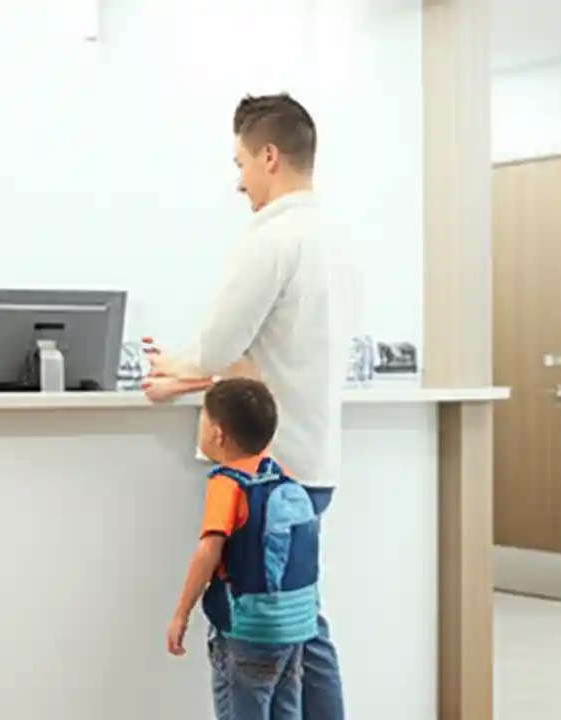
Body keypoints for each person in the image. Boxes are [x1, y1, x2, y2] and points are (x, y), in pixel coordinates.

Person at [146, 93, 358, 719]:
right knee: (302, 622)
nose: (238, 181)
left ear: (268, 156)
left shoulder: (272, 239)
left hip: (266, 473)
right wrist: (187, 373)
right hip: (313, 465)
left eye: (240, 162)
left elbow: (219, 346)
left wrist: (176, 369)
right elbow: (273, 355)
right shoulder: (336, 239)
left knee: (272, 634)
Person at [166, 378, 321, 720]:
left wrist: (181, 613)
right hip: (294, 626)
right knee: (286, 710)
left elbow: (208, 551)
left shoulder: (226, 483)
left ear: (218, 434)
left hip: (249, 631)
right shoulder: (280, 474)